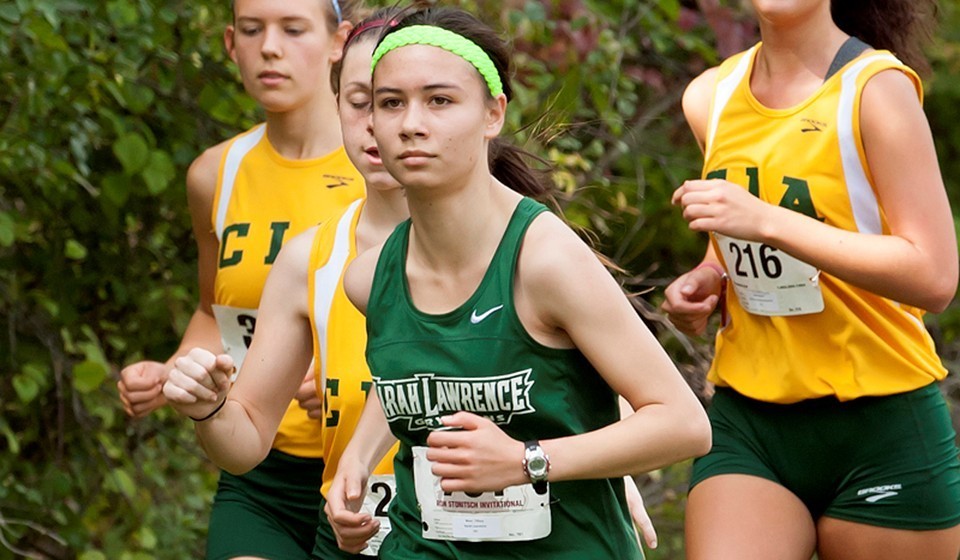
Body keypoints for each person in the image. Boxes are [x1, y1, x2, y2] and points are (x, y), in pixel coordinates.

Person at [320, 7, 711, 559]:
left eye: (439, 100)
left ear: (493, 113)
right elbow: (426, 375)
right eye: (390, 103)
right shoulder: (369, 278)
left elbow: (684, 425)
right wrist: (356, 461)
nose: (410, 123)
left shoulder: (545, 261)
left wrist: (527, 460)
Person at [663, 1, 960, 558]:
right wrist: (707, 277)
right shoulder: (710, 96)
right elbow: (734, 237)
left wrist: (768, 221)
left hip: (880, 420)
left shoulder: (875, 88)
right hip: (747, 417)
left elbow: (935, 275)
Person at [118, 0, 364, 558]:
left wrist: (340, 374)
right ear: (231, 44)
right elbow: (215, 311)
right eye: (252, 31)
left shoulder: (382, 166)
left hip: (368, 468)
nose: (270, 48)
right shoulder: (215, 174)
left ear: (338, 42)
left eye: (293, 29)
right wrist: (177, 371)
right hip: (260, 472)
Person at [162, 10, 407, 558]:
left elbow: (615, 385)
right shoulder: (307, 253)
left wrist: (587, 471)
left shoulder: (516, 237)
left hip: (462, 513)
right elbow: (216, 317)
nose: (382, 125)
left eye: (400, 102)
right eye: (363, 102)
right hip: (310, 489)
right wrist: (201, 393)